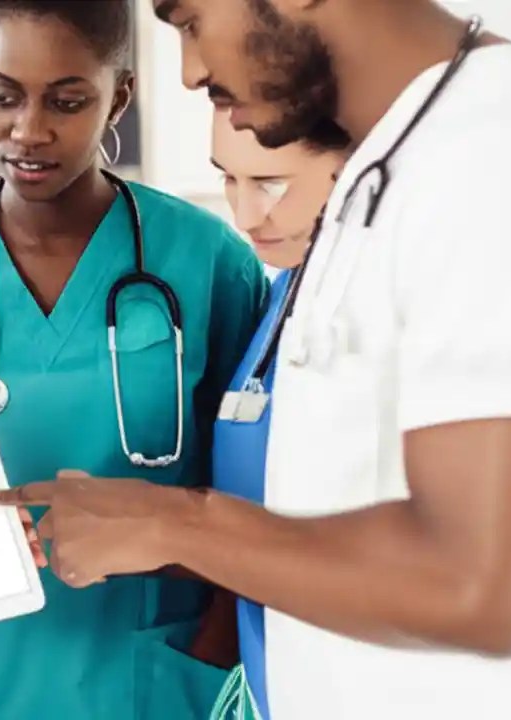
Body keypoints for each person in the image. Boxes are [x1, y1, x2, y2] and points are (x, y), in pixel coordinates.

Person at [0, 1, 511, 718]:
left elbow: (484, 587)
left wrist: (171, 523)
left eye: (188, 20)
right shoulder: (391, 170)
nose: (190, 71)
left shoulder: (501, 151)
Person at [0, 2, 267, 718]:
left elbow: (255, 497)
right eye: (2, 95)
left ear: (119, 98)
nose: (28, 130)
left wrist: (210, 653)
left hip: (156, 685)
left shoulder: (208, 263)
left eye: (67, 101)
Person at [206, 110, 347, 719]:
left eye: (269, 183)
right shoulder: (283, 291)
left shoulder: (384, 309)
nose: (243, 215)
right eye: (228, 180)